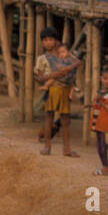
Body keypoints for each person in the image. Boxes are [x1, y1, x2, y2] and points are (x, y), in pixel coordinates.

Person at [35, 29, 79, 157]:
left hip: (64, 89)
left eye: (50, 40)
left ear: (56, 41)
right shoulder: (42, 59)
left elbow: (77, 63)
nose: (48, 43)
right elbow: (40, 78)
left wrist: (69, 69)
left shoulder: (64, 55)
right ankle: (47, 147)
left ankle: (67, 149)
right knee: (49, 118)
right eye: (45, 40)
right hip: (52, 90)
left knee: (65, 120)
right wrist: (55, 74)